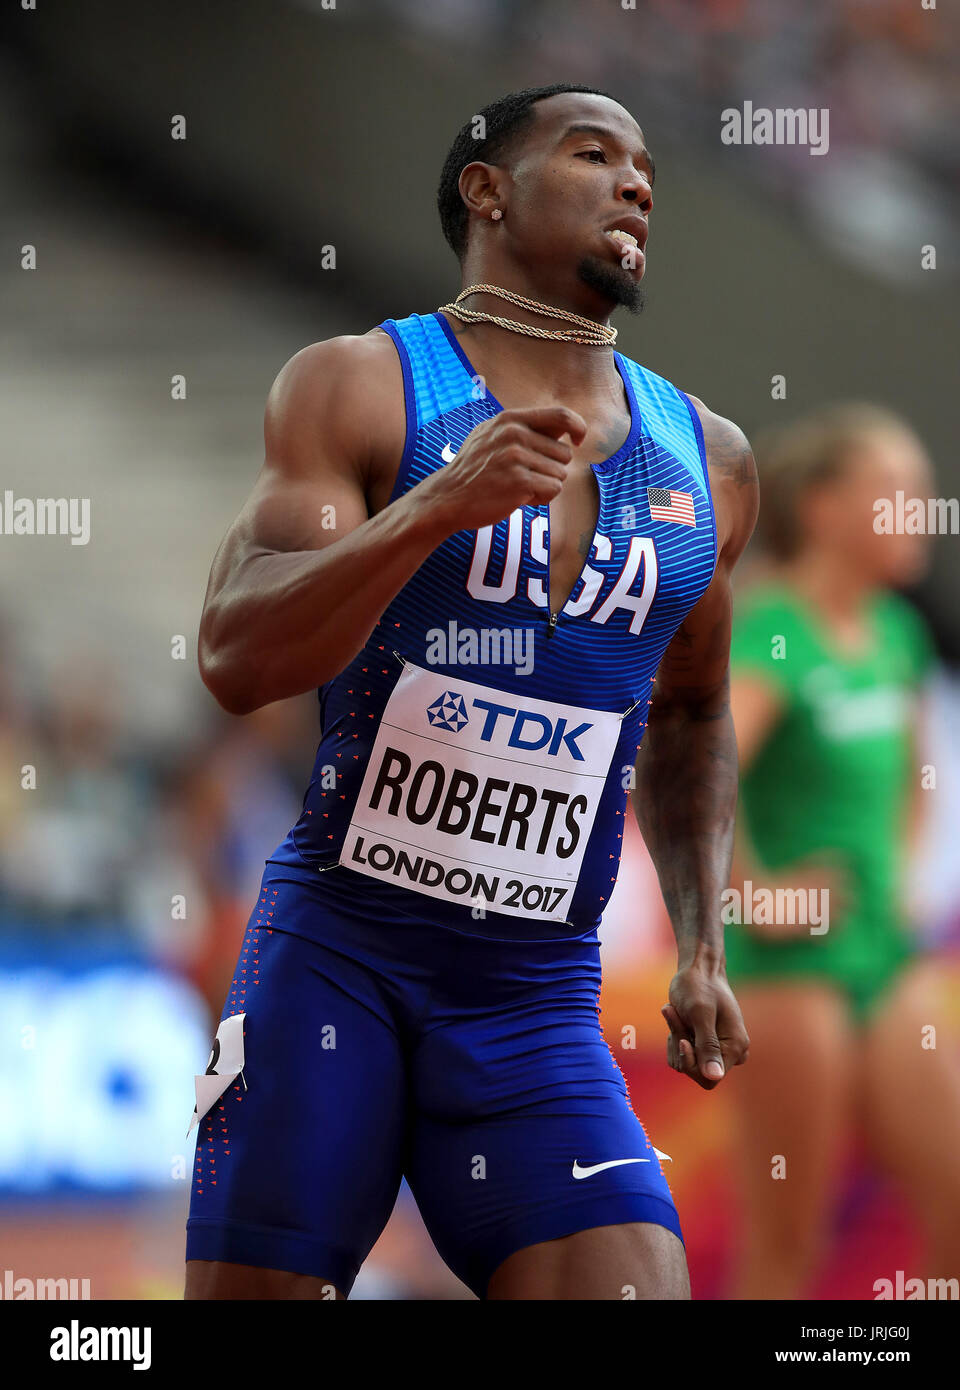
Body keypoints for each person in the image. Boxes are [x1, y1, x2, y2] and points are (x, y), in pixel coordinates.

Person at [185, 82, 757, 1302]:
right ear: (485, 190)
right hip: (337, 956)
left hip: (535, 995)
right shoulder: (358, 385)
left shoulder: (708, 458)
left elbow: (696, 711)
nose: (637, 183)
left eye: (646, 166)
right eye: (594, 154)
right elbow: (238, 657)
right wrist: (436, 507)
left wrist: (703, 942)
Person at [724, 403, 960, 1299]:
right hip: (791, 976)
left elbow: (916, 778)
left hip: (882, 958)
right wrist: (757, 894)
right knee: (787, 1251)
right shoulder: (774, 630)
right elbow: (695, 780)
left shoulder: (896, 631)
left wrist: (900, 875)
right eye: (898, 493)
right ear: (823, 509)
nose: (925, 512)